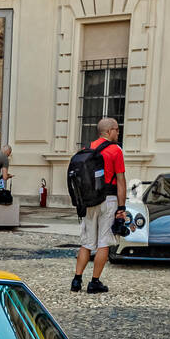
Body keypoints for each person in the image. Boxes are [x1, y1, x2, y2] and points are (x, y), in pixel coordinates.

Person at [71, 117, 126, 294]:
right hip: (108, 200)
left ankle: (76, 280)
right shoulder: (115, 150)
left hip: (89, 201)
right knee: (104, 242)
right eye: (117, 129)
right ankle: (94, 282)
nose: (118, 132)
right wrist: (122, 208)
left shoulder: (89, 148)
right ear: (109, 131)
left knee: (86, 242)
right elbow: (120, 181)